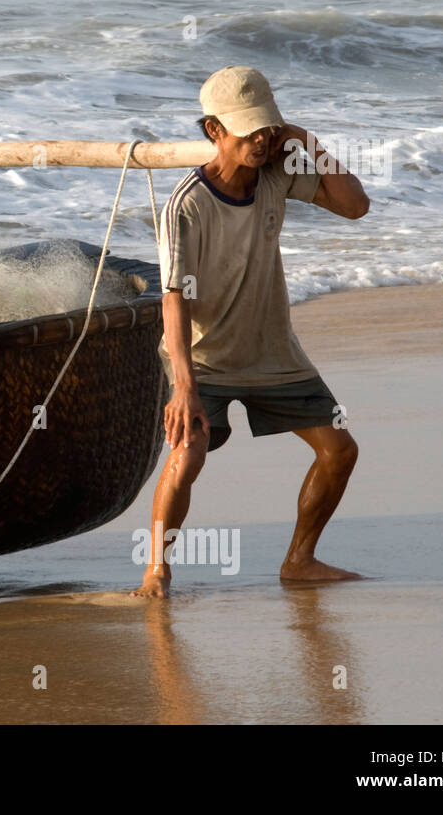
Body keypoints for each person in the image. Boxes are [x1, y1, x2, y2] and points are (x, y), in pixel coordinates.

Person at [132, 65, 370, 598]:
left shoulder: (278, 172)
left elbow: (355, 206)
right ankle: (157, 572)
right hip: (205, 357)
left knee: (340, 451)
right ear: (214, 130)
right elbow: (173, 297)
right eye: (248, 130)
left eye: (268, 128)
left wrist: (307, 141)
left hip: (272, 352)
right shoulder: (186, 204)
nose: (261, 140)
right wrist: (184, 387)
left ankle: (299, 561)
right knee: (188, 450)